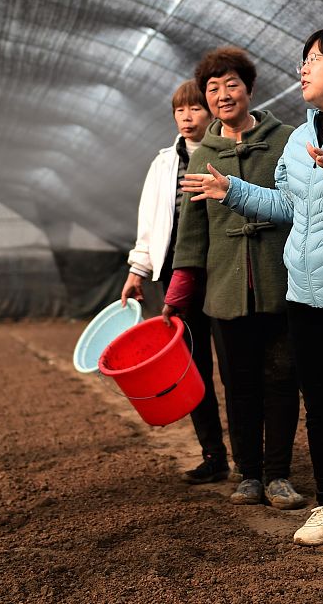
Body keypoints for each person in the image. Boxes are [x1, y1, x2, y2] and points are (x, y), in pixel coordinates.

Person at [183, 29, 323, 557]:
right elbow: (289, 206)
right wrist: (231, 191)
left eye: (313, 60)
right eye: (303, 61)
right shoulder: (300, 134)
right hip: (306, 290)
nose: (303, 70)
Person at [163, 47, 305, 511]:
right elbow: (192, 228)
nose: (223, 95)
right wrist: (181, 290)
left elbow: (303, 204)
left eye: (231, 85)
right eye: (212, 88)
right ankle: (248, 474)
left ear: (249, 89)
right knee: (239, 385)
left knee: (282, 380)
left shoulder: (286, 139)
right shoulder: (204, 152)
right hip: (225, 292)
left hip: (281, 284)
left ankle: (278, 475)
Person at [120, 80, 234, 484]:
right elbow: (150, 222)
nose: (187, 118)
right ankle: (213, 456)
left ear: (211, 112)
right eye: (179, 111)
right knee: (193, 366)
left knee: (235, 367)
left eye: (195, 109)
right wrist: (138, 270)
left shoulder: (228, 154)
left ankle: (251, 461)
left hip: (224, 271)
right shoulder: (163, 163)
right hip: (176, 278)